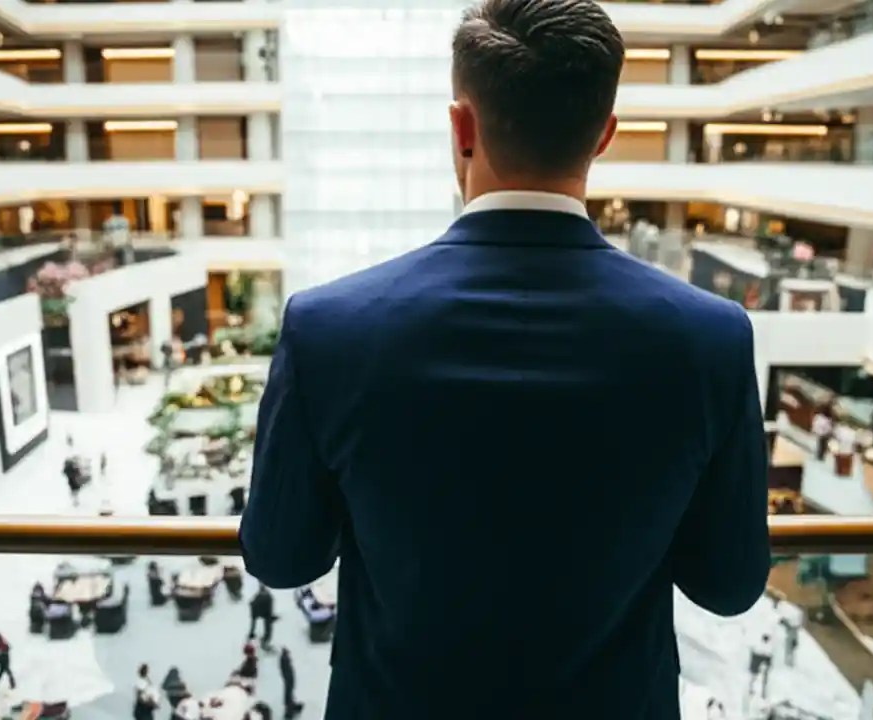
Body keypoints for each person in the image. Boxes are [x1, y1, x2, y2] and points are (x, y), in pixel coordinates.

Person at [238, 0, 769, 716]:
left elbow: (282, 558)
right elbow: (728, 586)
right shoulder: (711, 338)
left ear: (461, 126)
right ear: (603, 135)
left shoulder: (327, 328)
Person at [247, 585, 277, 650]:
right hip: (265, 613)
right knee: (268, 628)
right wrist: (271, 616)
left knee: (254, 622)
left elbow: (252, 603)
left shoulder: (258, 596)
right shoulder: (268, 597)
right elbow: (270, 607)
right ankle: (265, 640)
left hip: (257, 612)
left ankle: (252, 633)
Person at [749, 631, 775, 699]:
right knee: (756, 677)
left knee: (757, 678)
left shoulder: (765, 646)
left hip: (759, 658)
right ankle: (755, 692)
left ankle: (760, 693)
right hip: (759, 658)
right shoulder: (765, 646)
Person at [279, 647, 302, 719]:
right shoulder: (284, 659)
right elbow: (286, 671)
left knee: (290, 694)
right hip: (288, 679)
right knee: (288, 694)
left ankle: (292, 707)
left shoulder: (284, 659)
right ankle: (289, 712)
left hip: (289, 679)